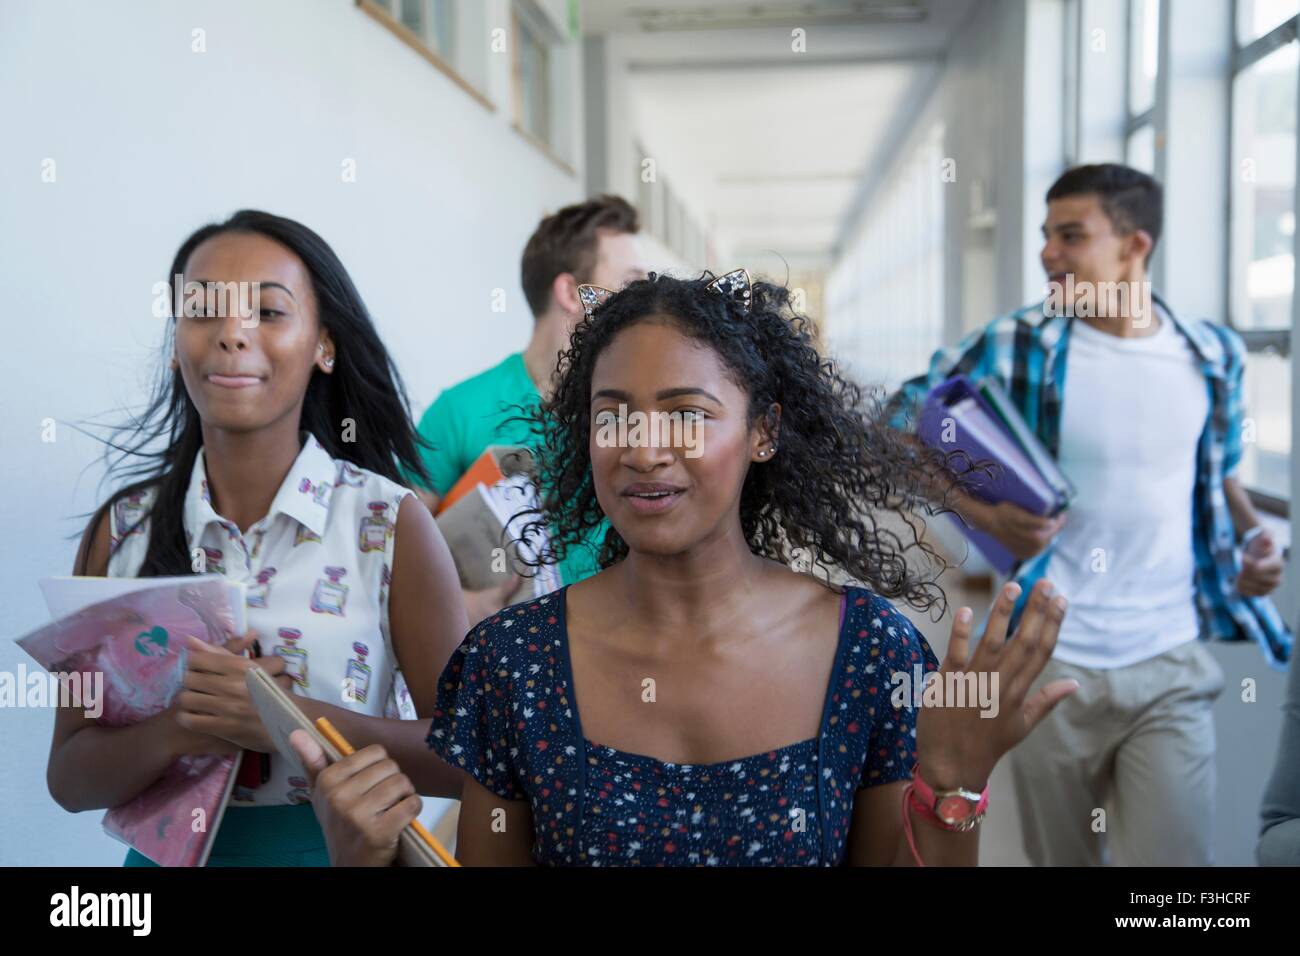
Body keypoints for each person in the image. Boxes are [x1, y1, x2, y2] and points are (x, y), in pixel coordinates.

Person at [290, 270, 1077, 866]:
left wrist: (951, 783)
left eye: (688, 415)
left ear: (763, 431)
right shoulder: (514, 664)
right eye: (613, 415)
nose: (642, 447)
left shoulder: (869, 650)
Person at [890, 163, 1291, 866]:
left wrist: (1256, 538)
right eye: (1047, 235)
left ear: (1135, 245)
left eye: (1070, 235)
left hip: (1170, 659)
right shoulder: (1020, 341)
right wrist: (980, 512)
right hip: (1050, 655)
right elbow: (897, 419)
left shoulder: (1212, 354)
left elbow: (1218, 473)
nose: (1048, 252)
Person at [48, 210, 469, 866]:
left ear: (323, 345)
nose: (232, 336)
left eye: (269, 313)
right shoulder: (122, 531)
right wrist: (179, 725)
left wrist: (286, 718)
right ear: (175, 342)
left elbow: (469, 758)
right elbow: (69, 778)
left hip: (334, 854)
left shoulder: (390, 525)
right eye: (203, 311)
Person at [411, 195, 647, 623]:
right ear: (572, 293)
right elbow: (389, 547)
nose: (644, 303)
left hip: (628, 656)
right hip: (508, 667)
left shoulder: (644, 413)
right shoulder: (459, 410)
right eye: (630, 284)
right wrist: (452, 608)